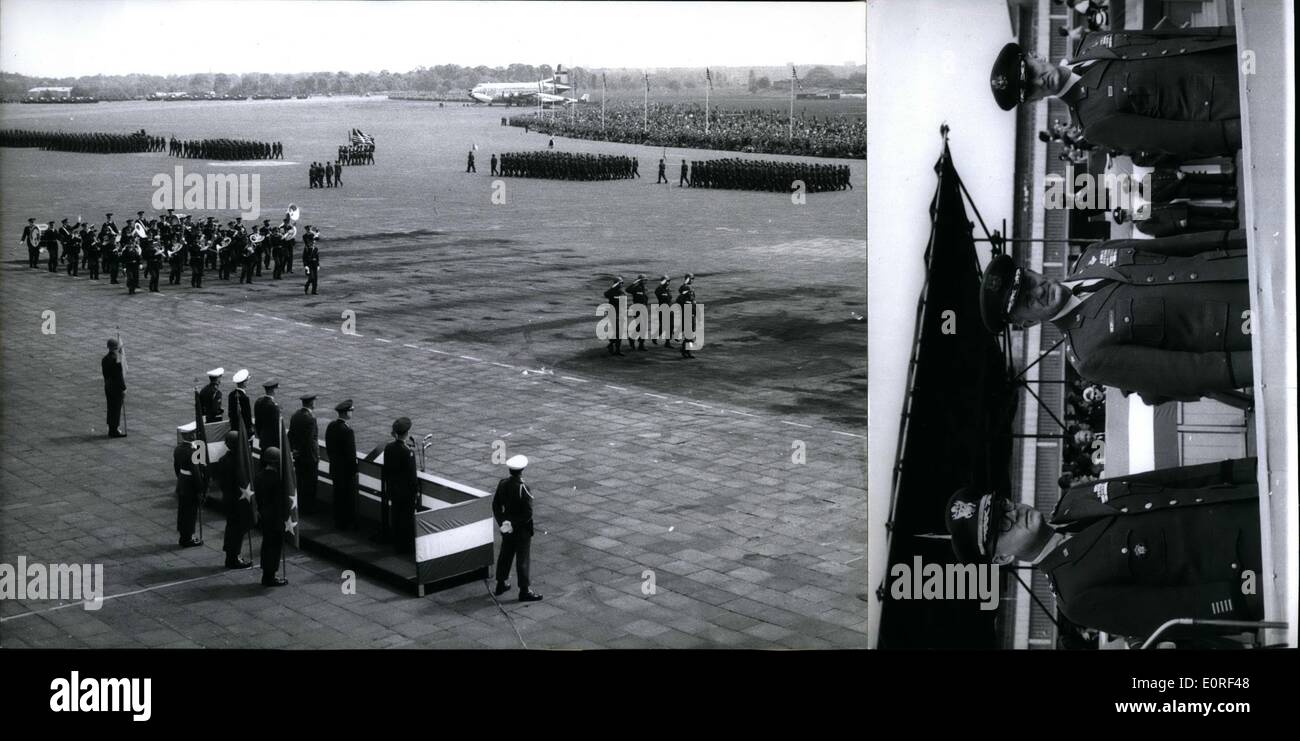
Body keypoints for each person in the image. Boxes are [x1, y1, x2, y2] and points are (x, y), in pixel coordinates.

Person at [944, 457, 1262, 640]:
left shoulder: (1074, 499)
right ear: (1001, 558)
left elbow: (1168, 481)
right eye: (1001, 523)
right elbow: (1178, 611)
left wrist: (1243, 471)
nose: (1015, 512)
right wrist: (1258, 595)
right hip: (1257, 564)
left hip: (1247, 498)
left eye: (1005, 504)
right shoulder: (1075, 596)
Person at [979, 230, 1249, 404]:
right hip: (1245, 329)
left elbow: (1179, 244)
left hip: (1241, 265)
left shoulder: (1093, 256)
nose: (1038, 289)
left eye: (1028, 280)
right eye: (1027, 299)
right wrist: (1258, 362)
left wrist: (1245, 239)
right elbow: (1189, 372)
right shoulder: (1088, 354)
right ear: (1027, 323)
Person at [989, 28, 1240, 161]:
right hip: (1232, 102)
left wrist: (1234, 34)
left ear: (1035, 56)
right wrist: (1244, 130)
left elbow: (1168, 38)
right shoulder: (1094, 123)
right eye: (1030, 88)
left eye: (1031, 71)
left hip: (1229, 52)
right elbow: (1181, 138)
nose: (1038, 80)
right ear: (1033, 100)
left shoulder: (1093, 43)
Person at [493, 455, 542, 602]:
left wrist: (503, 523)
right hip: (521, 530)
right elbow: (527, 513)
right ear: (522, 470)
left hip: (507, 528)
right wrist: (514, 524)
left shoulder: (502, 484)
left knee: (505, 555)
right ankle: (524, 590)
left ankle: (500, 583)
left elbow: (496, 506)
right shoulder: (523, 488)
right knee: (522, 559)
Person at [213, 430, 253, 569]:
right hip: (238, 501)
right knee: (237, 530)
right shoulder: (240, 463)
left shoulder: (223, 460)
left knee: (232, 528)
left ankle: (232, 555)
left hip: (229, 499)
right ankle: (233, 557)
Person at [381, 417, 419, 554]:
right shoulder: (407, 452)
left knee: (396, 516)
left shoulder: (389, 447)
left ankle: (397, 543)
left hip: (393, 490)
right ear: (407, 433)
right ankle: (406, 546)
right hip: (406, 493)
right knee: (407, 520)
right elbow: (412, 477)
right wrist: (416, 492)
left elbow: (386, 470)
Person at [255, 447, 288, 586]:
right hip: (275, 517)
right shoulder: (276, 479)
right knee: (274, 546)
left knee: (267, 544)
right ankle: (270, 576)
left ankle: (267, 574)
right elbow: (279, 501)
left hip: (264, 515)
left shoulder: (259, 475)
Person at [325, 399, 359, 531]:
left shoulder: (331, 426)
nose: (352, 412)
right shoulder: (347, 431)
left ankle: (338, 521)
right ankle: (347, 523)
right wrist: (354, 470)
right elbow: (351, 455)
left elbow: (329, 447)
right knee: (347, 498)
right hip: (346, 472)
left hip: (335, 467)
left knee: (338, 496)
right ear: (346, 413)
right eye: (351, 410)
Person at [173, 427, 204, 548]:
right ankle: (187, 538)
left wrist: (181, 478)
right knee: (190, 513)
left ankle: (183, 536)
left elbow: (176, 467)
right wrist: (200, 488)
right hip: (190, 485)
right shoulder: (192, 452)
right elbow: (196, 473)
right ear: (191, 436)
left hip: (182, 482)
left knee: (183, 512)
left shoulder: (178, 449)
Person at [288, 394, 320, 513]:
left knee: (301, 481)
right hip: (309, 457)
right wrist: (316, 455)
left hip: (298, 455)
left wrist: (294, 450)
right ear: (311, 403)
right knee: (310, 483)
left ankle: (300, 505)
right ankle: (309, 508)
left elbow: (291, 434)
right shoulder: (311, 419)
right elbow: (310, 440)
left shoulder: (295, 415)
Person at [102, 338, 127, 437]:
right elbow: (119, 377)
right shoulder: (116, 361)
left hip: (108, 386)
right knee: (116, 409)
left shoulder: (105, 359)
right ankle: (114, 430)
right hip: (116, 388)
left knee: (110, 408)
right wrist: (123, 388)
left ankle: (111, 427)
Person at [254, 380, 281, 458]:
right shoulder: (273, 407)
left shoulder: (258, 402)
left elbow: (257, 422)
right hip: (272, 442)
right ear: (273, 390)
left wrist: (260, 434)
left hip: (263, 438)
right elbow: (276, 427)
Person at [603, 277, 626, 356]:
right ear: (616, 283)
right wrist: (613, 287)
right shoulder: (611, 292)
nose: (622, 284)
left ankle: (616, 349)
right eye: (620, 283)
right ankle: (612, 345)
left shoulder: (622, 292)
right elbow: (605, 294)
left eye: (622, 283)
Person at [228, 369, 253, 435]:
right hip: (243, 429)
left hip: (234, 427)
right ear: (244, 383)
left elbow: (230, 413)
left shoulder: (231, 394)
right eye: (247, 381)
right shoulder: (245, 398)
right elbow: (247, 416)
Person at [302, 226, 320, 295]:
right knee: (311, 278)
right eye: (312, 242)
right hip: (309, 264)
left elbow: (317, 257)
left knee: (315, 278)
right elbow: (304, 258)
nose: (313, 242)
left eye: (313, 242)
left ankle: (314, 291)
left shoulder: (315, 249)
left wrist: (318, 264)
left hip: (314, 264)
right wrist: (305, 265)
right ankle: (307, 285)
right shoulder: (306, 249)